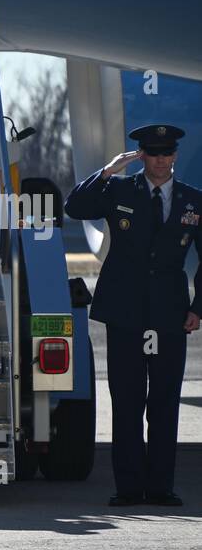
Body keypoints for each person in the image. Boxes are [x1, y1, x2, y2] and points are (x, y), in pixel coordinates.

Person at [65, 124, 202, 507]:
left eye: (166, 153)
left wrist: (198, 307)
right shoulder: (119, 190)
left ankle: (160, 487)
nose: (159, 160)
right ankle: (128, 487)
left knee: (163, 401)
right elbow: (74, 207)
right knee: (126, 400)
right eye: (152, 153)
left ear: (174, 155)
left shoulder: (194, 200)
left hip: (170, 312)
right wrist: (107, 170)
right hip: (125, 310)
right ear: (142, 155)